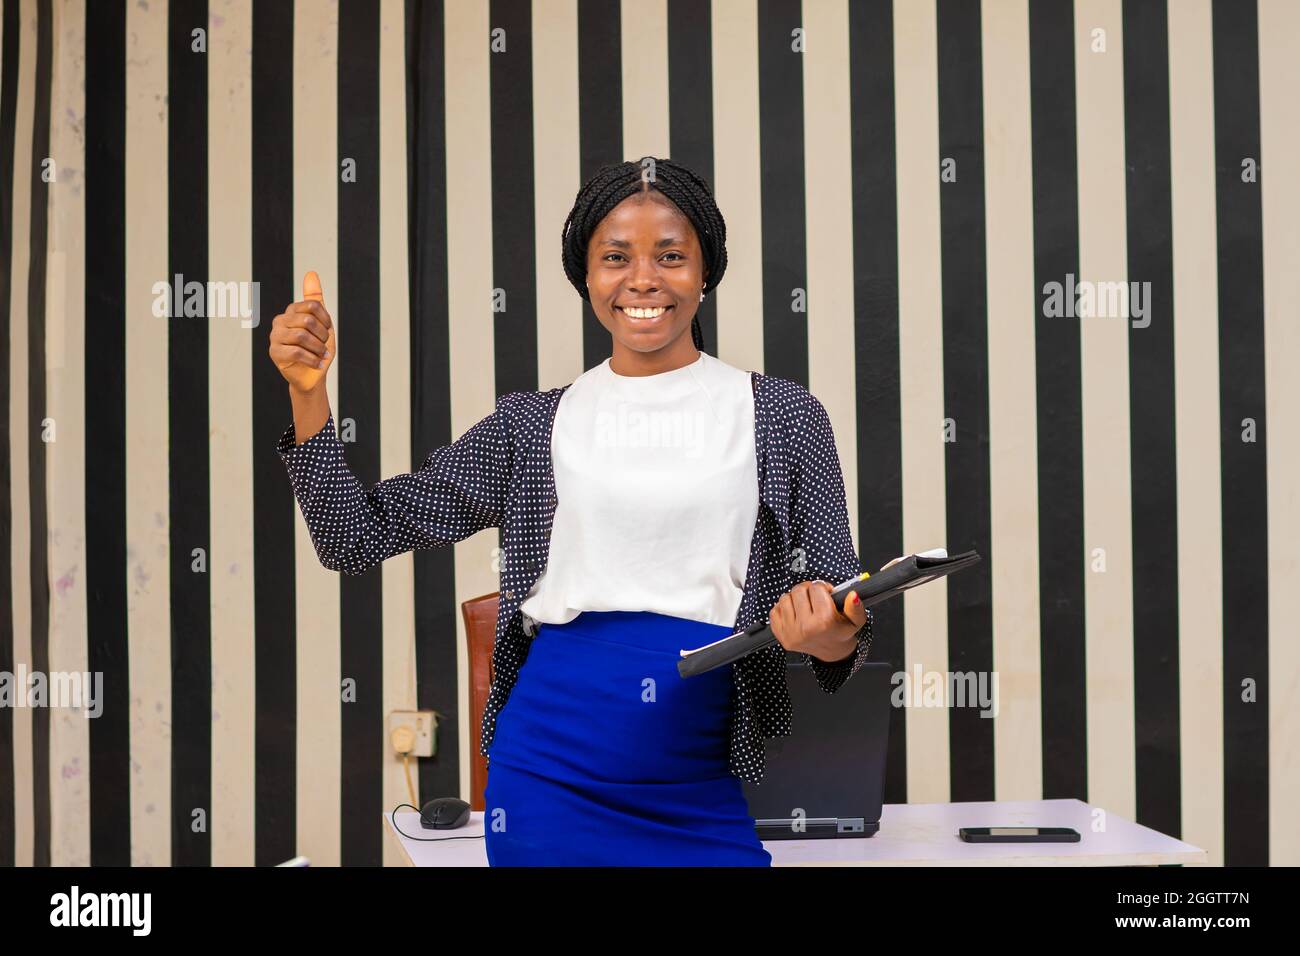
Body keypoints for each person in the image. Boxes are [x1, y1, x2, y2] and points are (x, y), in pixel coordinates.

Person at [268, 157, 872, 866]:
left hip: (696, 780)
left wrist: (824, 631)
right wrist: (308, 394)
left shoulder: (784, 417)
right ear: (585, 277)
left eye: (671, 256)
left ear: (706, 270)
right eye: (615, 257)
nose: (643, 279)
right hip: (548, 778)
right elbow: (352, 536)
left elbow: (845, 628)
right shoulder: (532, 427)